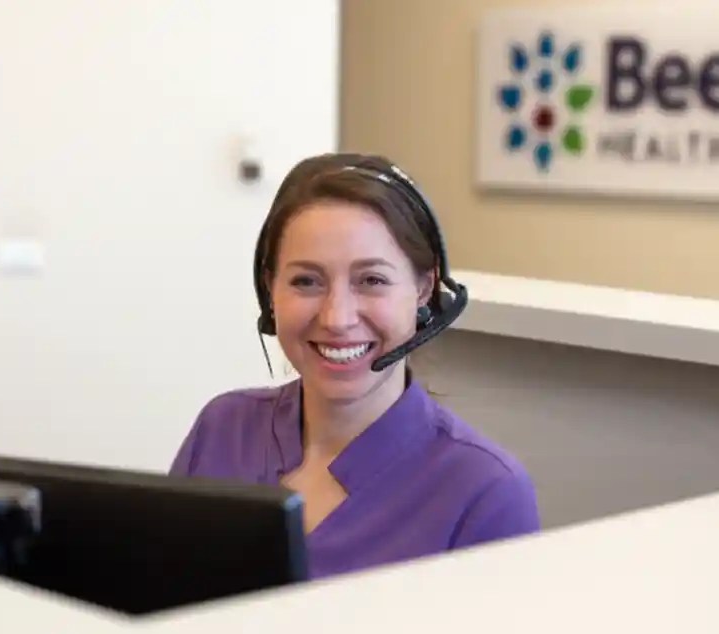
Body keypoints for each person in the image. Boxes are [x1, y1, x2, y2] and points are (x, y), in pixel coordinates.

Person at [169, 152, 540, 579]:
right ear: (270, 289)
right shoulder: (221, 430)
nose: (336, 318)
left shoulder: (484, 491)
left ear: (424, 289)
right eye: (306, 281)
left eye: (372, 280)